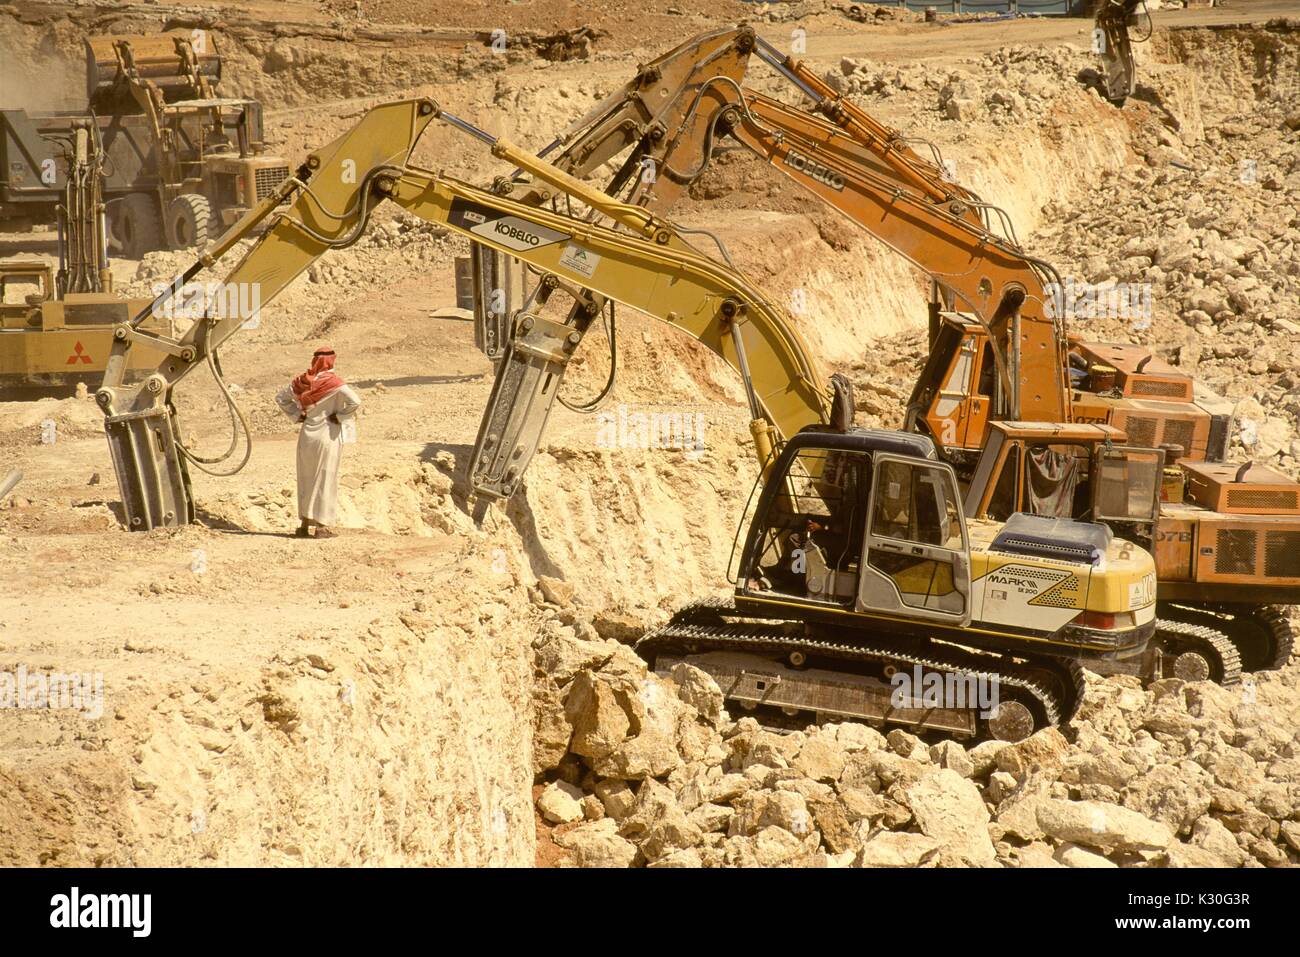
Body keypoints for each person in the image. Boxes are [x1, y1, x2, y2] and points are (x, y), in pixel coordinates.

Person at [275, 347, 362, 539]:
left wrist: (297, 415)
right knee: (325, 479)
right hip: (327, 435)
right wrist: (340, 416)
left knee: (306, 478)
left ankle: (304, 526)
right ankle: (322, 527)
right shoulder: (335, 383)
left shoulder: (301, 382)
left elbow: (280, 398)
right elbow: (355, 401)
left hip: (307, 435)